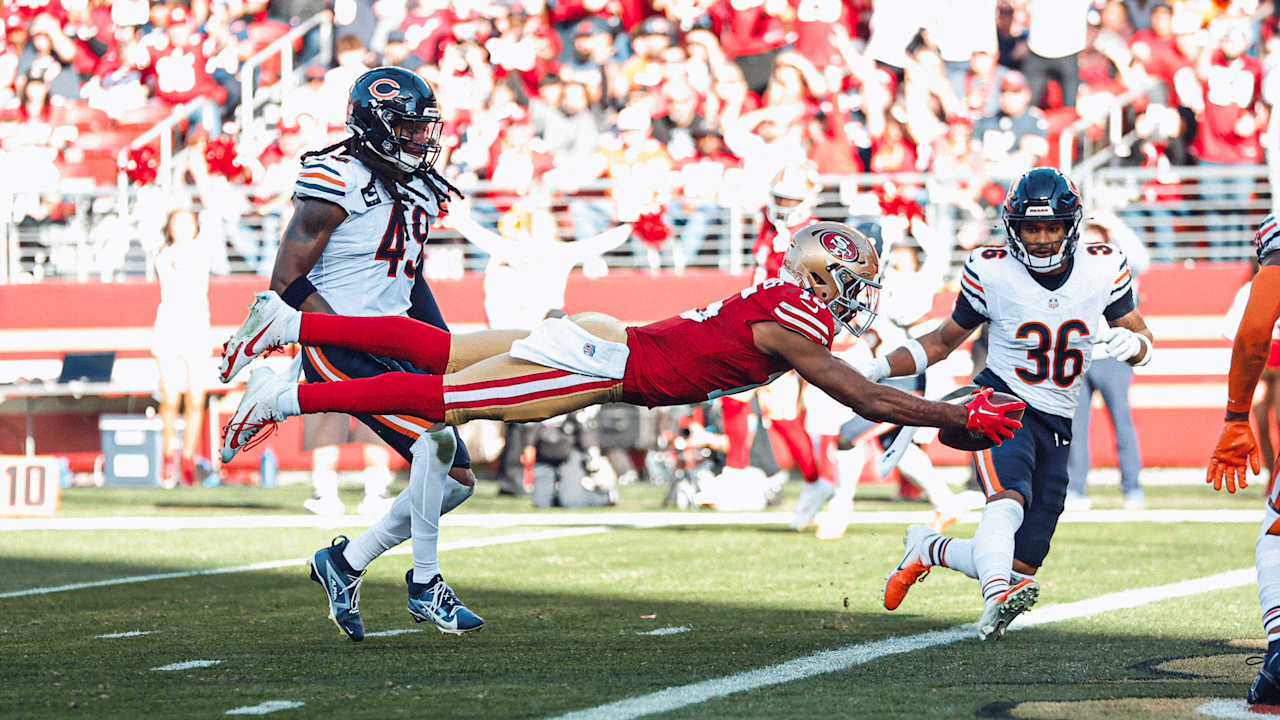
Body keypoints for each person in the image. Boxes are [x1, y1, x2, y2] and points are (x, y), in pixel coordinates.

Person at [241, 66, 481, 640]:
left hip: (392, 340)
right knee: (434, 440)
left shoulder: (418, 185)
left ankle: (344, 564)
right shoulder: (336, 176)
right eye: (407, 127)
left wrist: (437, 346)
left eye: (425, 128)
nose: (422, 139)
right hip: (338, 344)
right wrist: (343, 333)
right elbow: (287, 278)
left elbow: (409, 278)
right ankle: (426, 585)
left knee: (458, 479)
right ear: (375, 126)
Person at [875, 168, 1155, 640]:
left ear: (1071, 227)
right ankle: (994, 600)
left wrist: (1138, 347)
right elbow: (944, 340)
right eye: (1031, 228)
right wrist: (876, 371)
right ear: (1014, 227)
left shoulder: (1104, 265)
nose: (1042, 239)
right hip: (1001, 400)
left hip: (1059, 418)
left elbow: (1142, 334)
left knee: (1023, 561)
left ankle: (929, 548)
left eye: (1052, 228)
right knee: (1007, 500)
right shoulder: (991, 268)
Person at [1205, 214, 1280, 705]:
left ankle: (1278, 657)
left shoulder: (1273, 270)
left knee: (1276, 528)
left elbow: (1254, 333)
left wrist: (1236, 417)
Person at [1066, 218, 1152, 511]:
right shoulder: (1075, 270)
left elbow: (1141, 257)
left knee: (1122, 421)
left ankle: (1132, 487)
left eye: (1099, 239)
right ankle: (1075, 488)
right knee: (1075, 427)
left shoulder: (1119, 267)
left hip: (1114, 354)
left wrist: (1111, 222)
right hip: (1080, 355)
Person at [152, 208, 213, 487]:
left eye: (189, 222)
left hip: (197, 326)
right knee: (170, 397)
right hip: (169, 327)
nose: (184, 228)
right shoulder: (166, 254)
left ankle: (188, 457)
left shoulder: (203, 251)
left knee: (197, 397)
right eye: (178, 222)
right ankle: (168, 454)